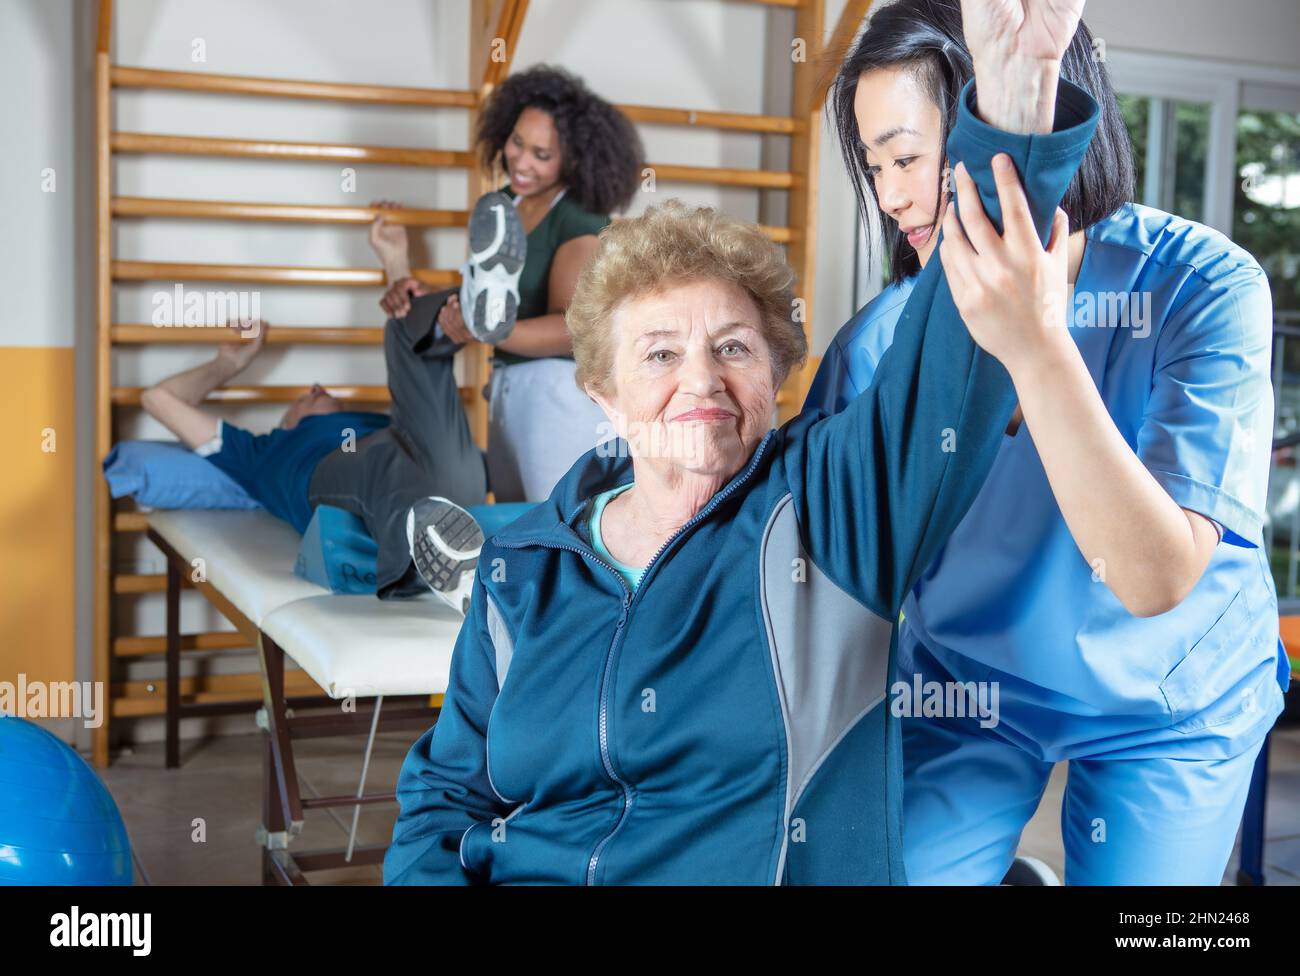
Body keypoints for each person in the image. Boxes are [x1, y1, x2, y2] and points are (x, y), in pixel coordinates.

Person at [383, 14, 1103, 882]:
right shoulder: (519, 569)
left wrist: (1015, 100)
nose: (701, 382)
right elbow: (443, 798)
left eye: (734, 348)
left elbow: (957, 341)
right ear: (599, 393)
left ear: (776, 377)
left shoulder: (831, 514)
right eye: (659, 354)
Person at [806, 0, 1288, 885]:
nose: (892, 196)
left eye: (909, 157)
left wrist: (1033, 347)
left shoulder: (1203, 286)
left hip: (1174, 699)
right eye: (874, 167)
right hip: (971, 687)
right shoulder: (878, 347)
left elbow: (1156, 577)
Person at [138, 194, 528, 611]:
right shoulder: (260, 453)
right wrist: (229, 363)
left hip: (445, 474)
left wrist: (395, 260)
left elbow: (405, 332)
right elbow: (158, 399)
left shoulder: (382, 423)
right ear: (288, 425)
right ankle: (445, 566)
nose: (316, 387)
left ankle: (473, 309)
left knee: (399, 333)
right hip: (390, 489)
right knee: (379, 460)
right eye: (304, 398)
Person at [378, 65, 644, 503]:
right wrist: (410, 282)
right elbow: (485, 303)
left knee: (556, 533)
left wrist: (489, 328)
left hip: (556, 395)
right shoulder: (501, 205)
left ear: (574, 159)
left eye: (542, 154)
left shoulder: (577, 218)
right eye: (517, 142)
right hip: (503, 388)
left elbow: (572, 329)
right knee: (515, 534)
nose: (521, 161)